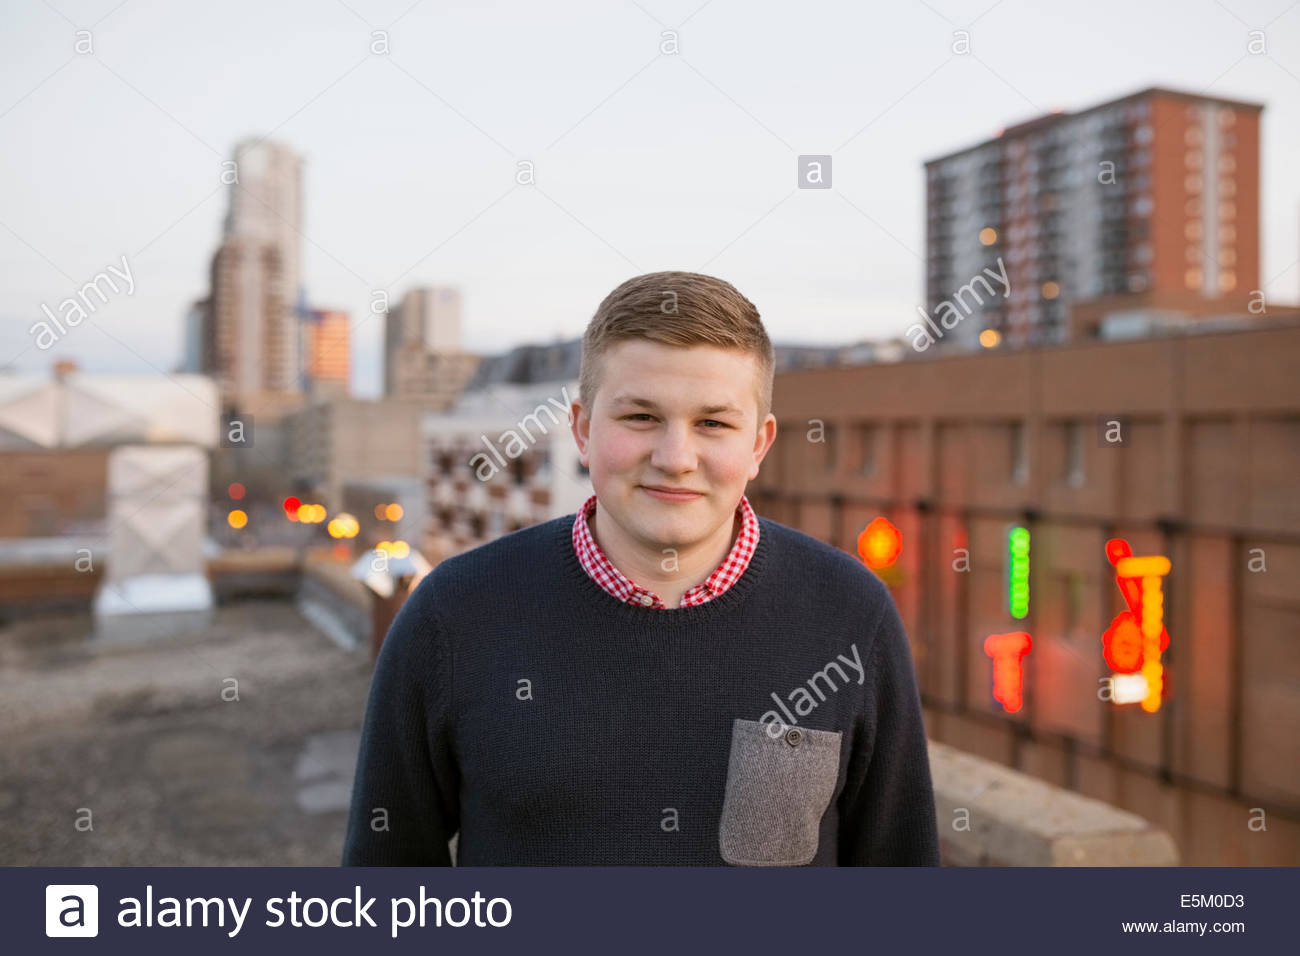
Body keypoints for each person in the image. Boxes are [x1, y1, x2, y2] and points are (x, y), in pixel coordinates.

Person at [341, 271, 940, 866]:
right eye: (641, 418)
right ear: (581, 428)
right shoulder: (456, 612)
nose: (675, 458)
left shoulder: (850, 617)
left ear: (758, 445)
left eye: (713, 423)